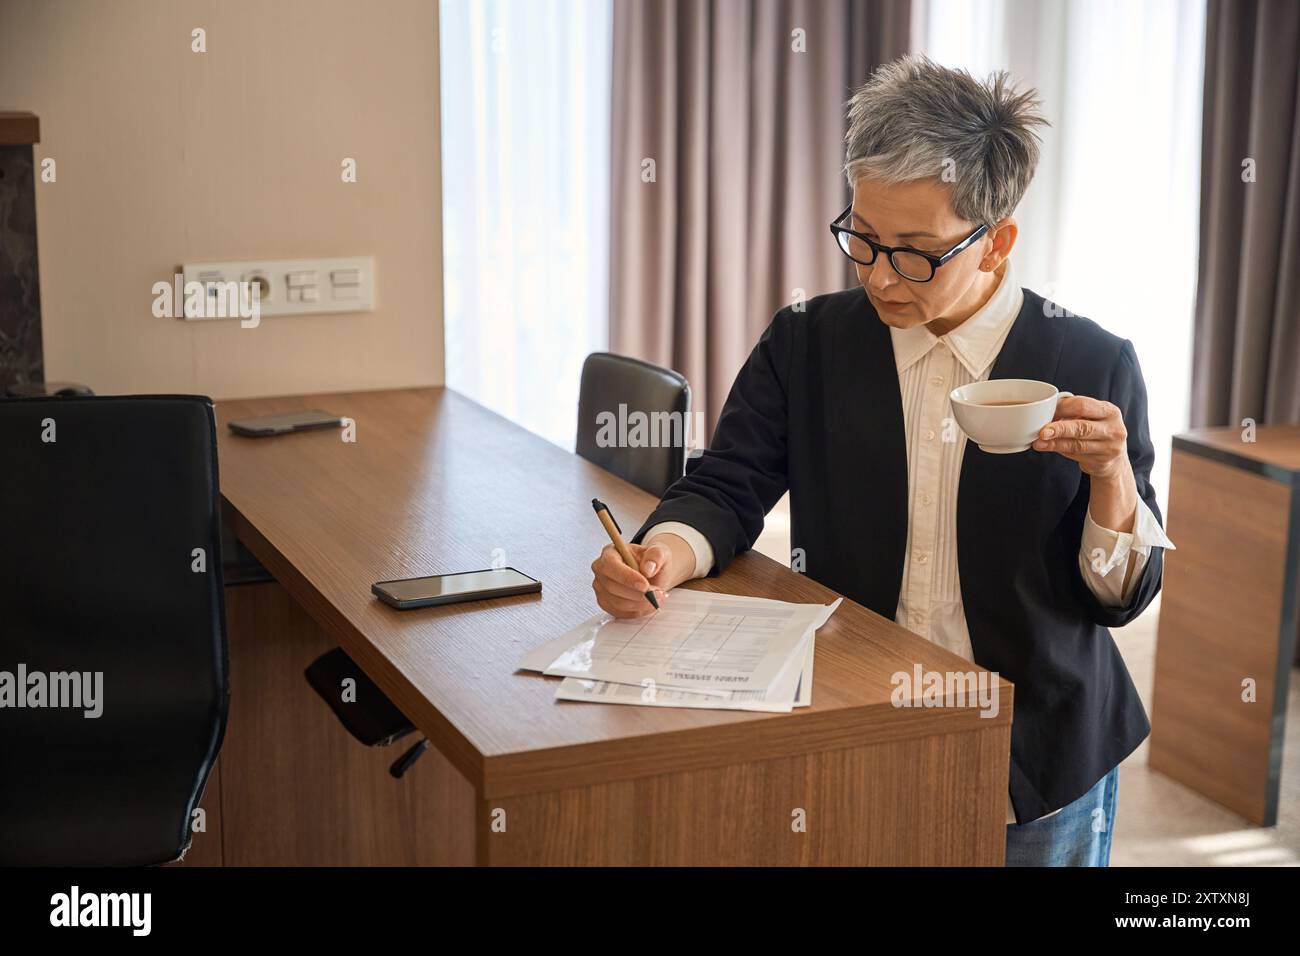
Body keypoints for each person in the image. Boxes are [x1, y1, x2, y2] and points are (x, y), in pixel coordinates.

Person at [588, 54, 1175, 867]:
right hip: (858, 719)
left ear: (996, 242)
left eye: (914, 251)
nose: (877, 275)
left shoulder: (1088, 363)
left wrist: (1111, 480)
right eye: (861, 238)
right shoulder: (808, 341)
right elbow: (728, 483)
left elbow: (1121, 599)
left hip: (1037, 750)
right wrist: (663, 553)